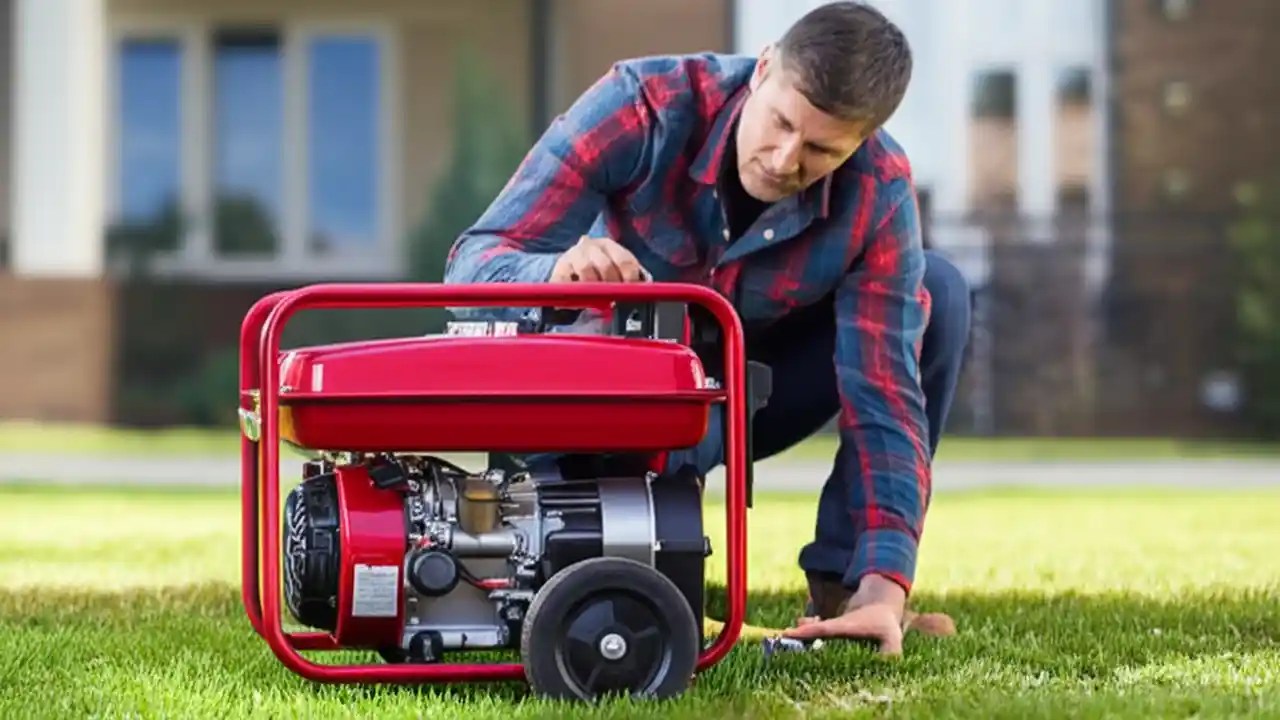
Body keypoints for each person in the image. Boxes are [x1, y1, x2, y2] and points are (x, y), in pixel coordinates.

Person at [443, 1, 971, 655]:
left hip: (750, 395)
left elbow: (885, 397)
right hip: (620, 393)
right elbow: (472, 268)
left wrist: (886, 584)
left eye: (820, 150)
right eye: (781, 123)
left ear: (862, 142)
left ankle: (844, 595)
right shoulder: (642, 105)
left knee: (939, 294)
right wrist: (555, 272)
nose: (783, 160)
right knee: (601, 584)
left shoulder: (879, 190)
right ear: (765, 66)